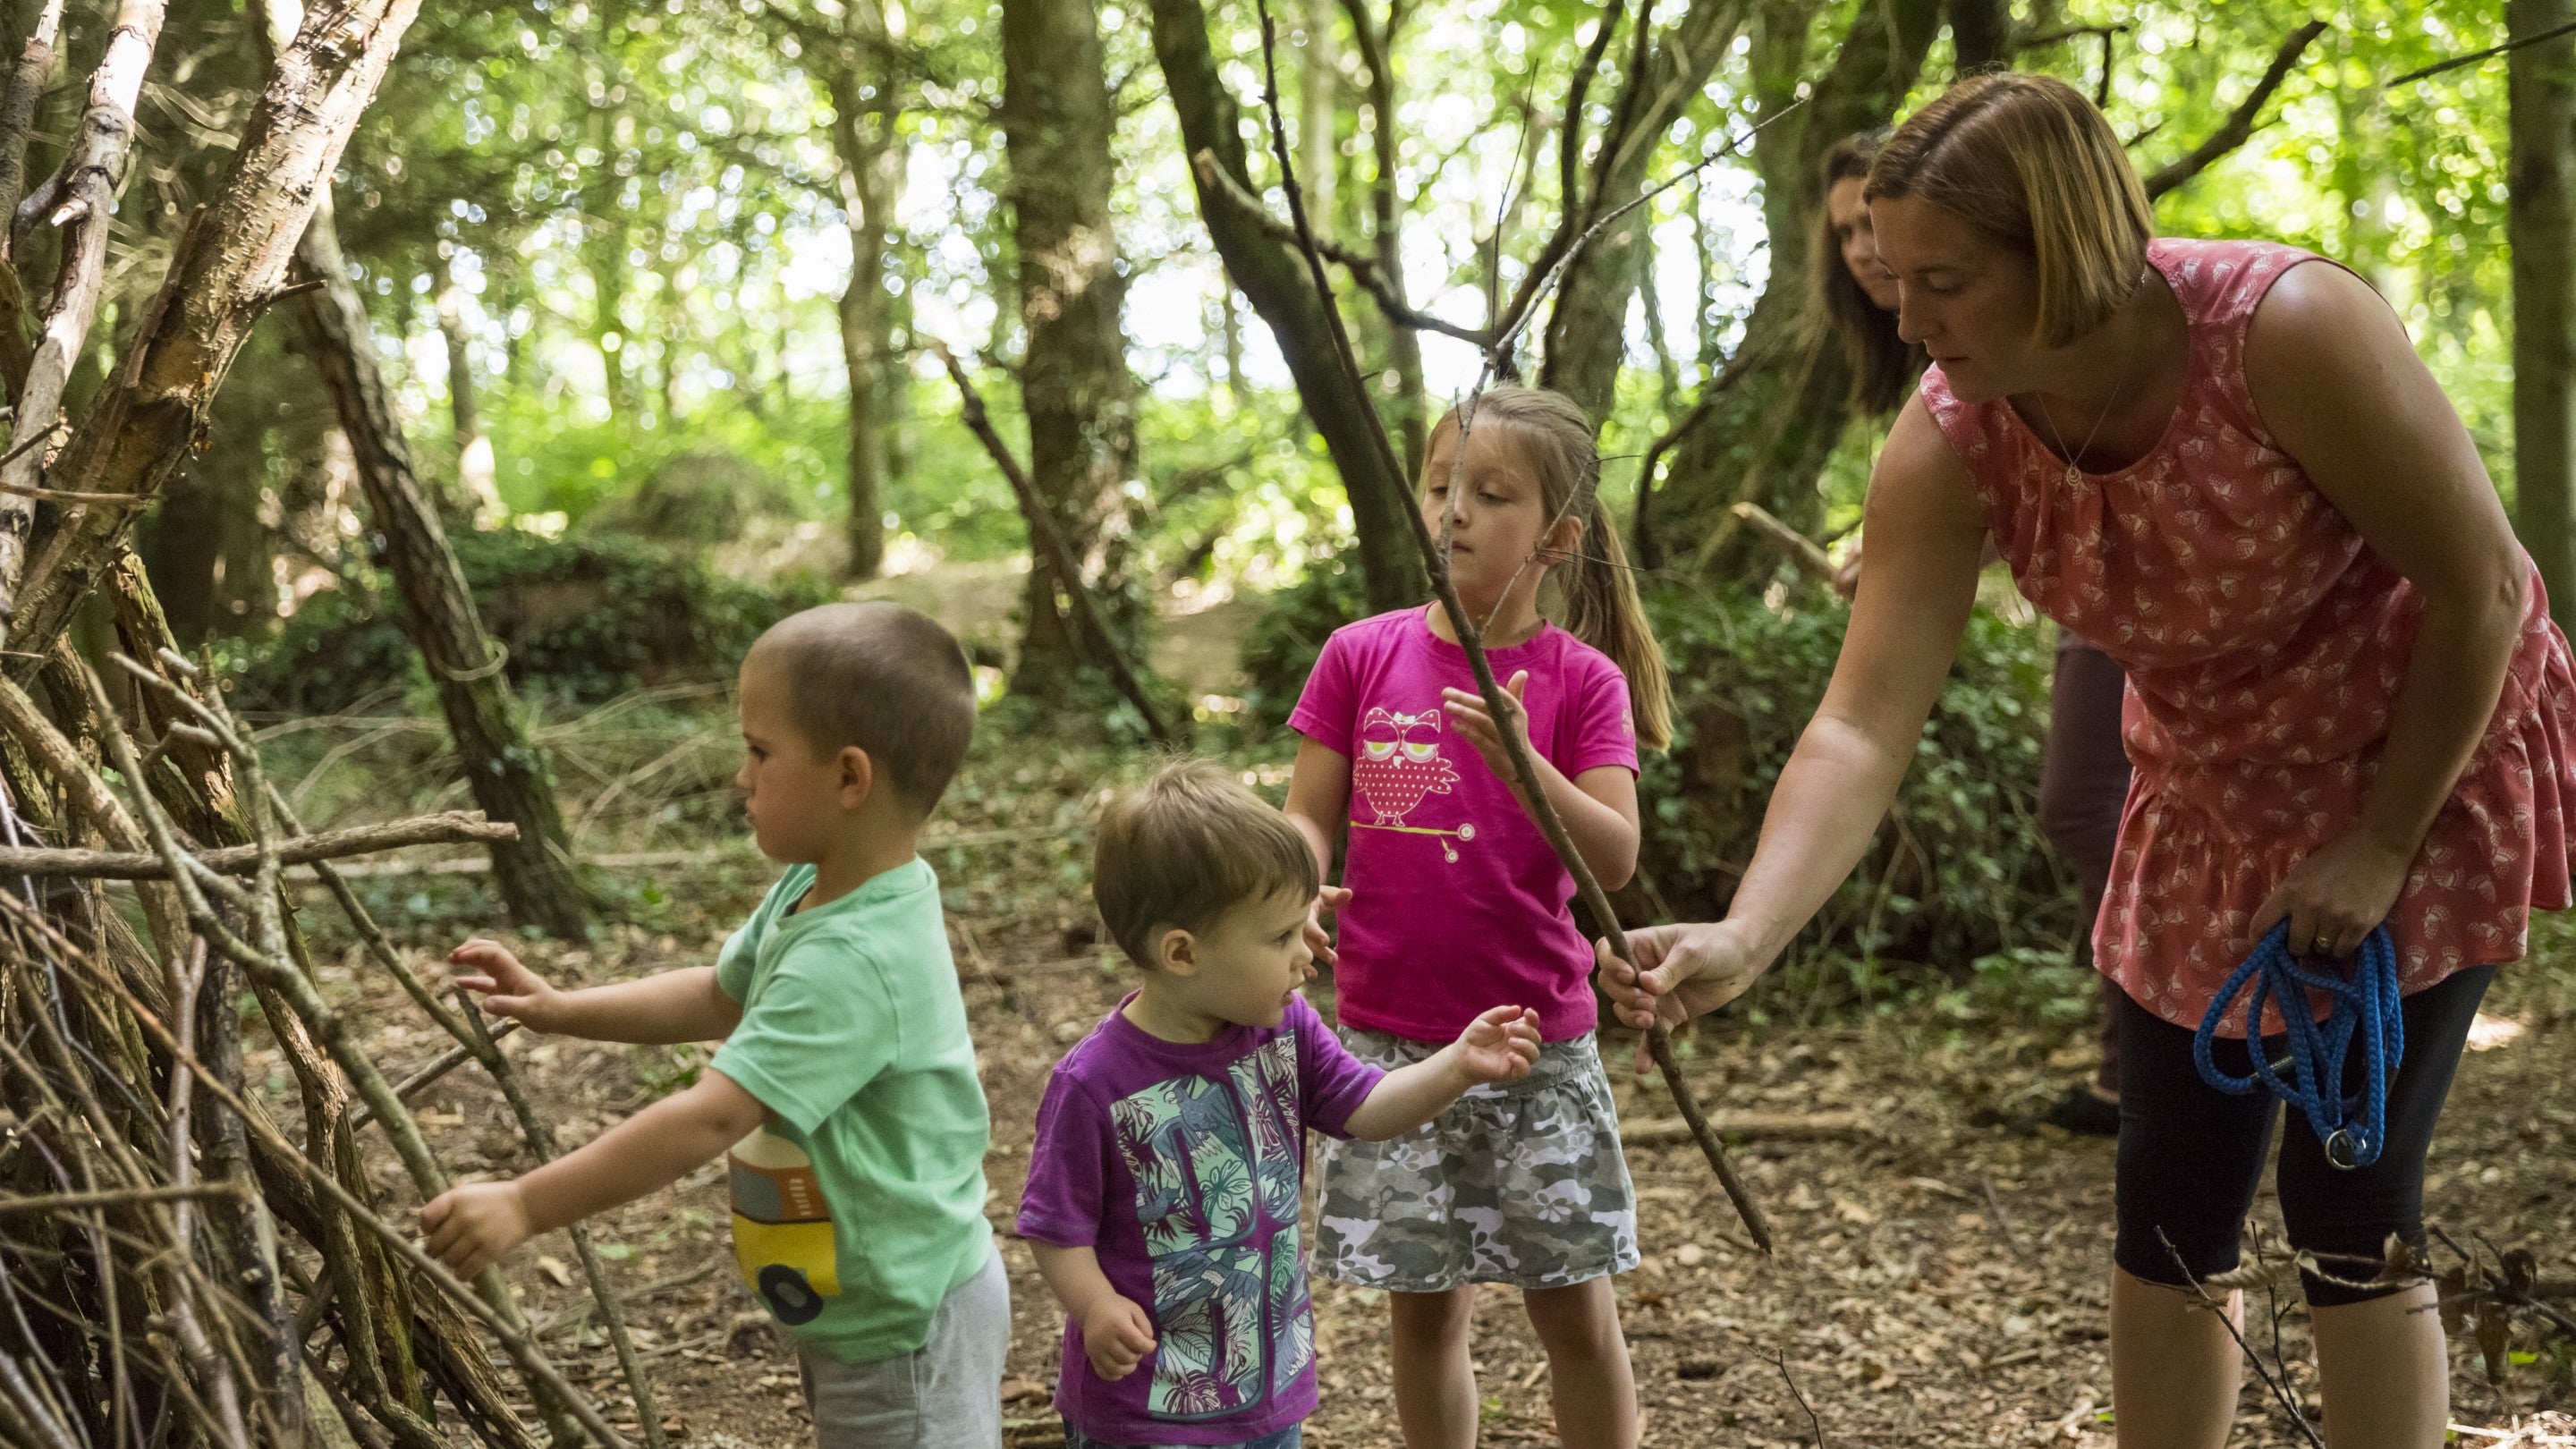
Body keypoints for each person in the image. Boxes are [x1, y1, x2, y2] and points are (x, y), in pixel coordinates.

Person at [1602, 73, 2576, 1449]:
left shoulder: (2286, 332)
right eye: (1895, 281)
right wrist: (1749, 936)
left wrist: (2379, 844)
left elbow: (2477, 590)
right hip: (2210, 796)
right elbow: (1864, 718)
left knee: (2349, 1198)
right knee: (2168, 1197)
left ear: (2062, 249)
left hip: (2426, 753)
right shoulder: (1953, 436)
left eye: (1946, 280)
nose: (1910, 317)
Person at [421, 602, 1007, 1449]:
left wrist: (524, 1203)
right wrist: (559, 1009)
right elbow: (717, 995)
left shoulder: (855, 959)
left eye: (759, 752)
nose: (741, 776)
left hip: (907, 1328)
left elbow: (712, 1115)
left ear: (850, 778)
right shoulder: (820, 890)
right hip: (863, 1303)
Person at [1281, 384, 1671, 1449]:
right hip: (1391, 1042)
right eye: (1440, 484)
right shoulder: (1361, 655)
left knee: (1574, 1311)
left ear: (1559, 538)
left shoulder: (1579, 681)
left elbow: (1620, 854)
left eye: (1489, 493)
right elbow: (1306, 823)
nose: (1453, 510)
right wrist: (1298, 887)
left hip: (1537, 1044)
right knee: (1426, 1310)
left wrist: (1524, 761)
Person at [1018, 760, 1545, 1449]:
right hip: (1144, 1411)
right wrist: (1095, 1308)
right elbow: (1055, 1226)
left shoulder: (1283, 1028)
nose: (1308, 957)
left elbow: (1367, 1107)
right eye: (1279, 937)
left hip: (1267, 1388)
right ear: (1182, 952)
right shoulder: (1095, 1083)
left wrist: (1457, 1067)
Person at [1821, 128, 2132, 1135]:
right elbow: (1862, 723)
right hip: (2103, 605)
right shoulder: (1930, 379)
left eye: (1914, 257)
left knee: (2090, 809)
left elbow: (2095, 470)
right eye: (1850, 238)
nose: (1866, 258)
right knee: (2094, 810)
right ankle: (2154, 1058)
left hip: (2174, 612)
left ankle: (2163, 1051)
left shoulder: (2244, 320)